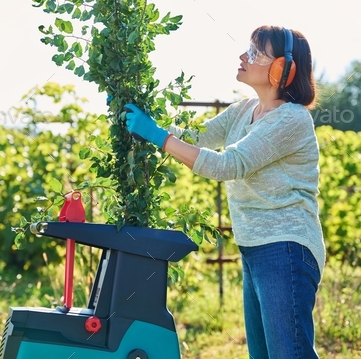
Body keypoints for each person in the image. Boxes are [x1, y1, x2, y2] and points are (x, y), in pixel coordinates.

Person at [123, 25, 326, 358]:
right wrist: (141, 115)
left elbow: (226, 165)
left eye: (257, 52)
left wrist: (157, 136)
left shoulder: (292, 119)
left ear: (282, 69)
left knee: (289, 354)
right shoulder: (243, 111)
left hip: (286, 247)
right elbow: (193, 136)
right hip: (255, 247)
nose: (244, 56)